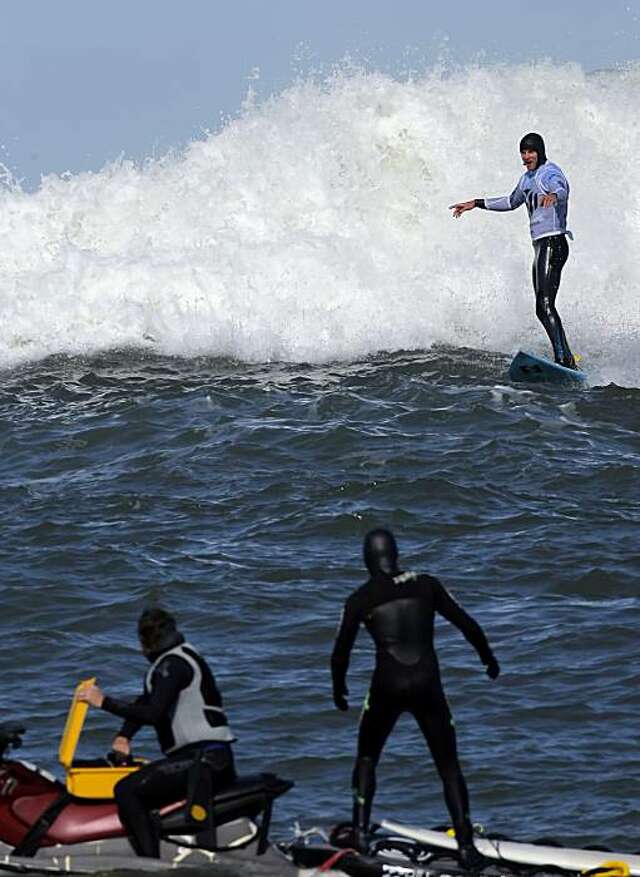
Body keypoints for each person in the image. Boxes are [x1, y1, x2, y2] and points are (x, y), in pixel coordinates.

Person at [331, 529, 500, 871]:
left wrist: (339, 688)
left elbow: (340, 653)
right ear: (396, 554)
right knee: (448, 767)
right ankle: (466, 847)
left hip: (386, 686)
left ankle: (361, 835)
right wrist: (487, 658)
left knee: (366, 758)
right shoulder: (426, 584)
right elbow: (467, 623)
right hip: (427, 684)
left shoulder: (360, 598)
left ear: (367, 559)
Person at [77, 607, 236, 858]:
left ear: (146, 642)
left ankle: (150, 863)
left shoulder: (173, 665)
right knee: (144, 783)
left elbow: (153, 713)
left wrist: (103, 702)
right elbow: (146, 701)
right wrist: (124, 736)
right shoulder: (172, 662)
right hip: (202, 759)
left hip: (204, 761)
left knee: (126, 790)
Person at [450, 132, 577, 370]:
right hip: (540, 245)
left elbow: (562, 189)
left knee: (546, 303)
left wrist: (554, 195)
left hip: (554, 242)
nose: (526, 156)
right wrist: (476, 203)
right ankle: (566, 355)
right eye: (523, 152)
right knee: (542, 308)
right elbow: (510, 201)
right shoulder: (527, 179)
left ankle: (565, 360)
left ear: (540, 151)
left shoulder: (549, 173)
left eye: (530, 151)